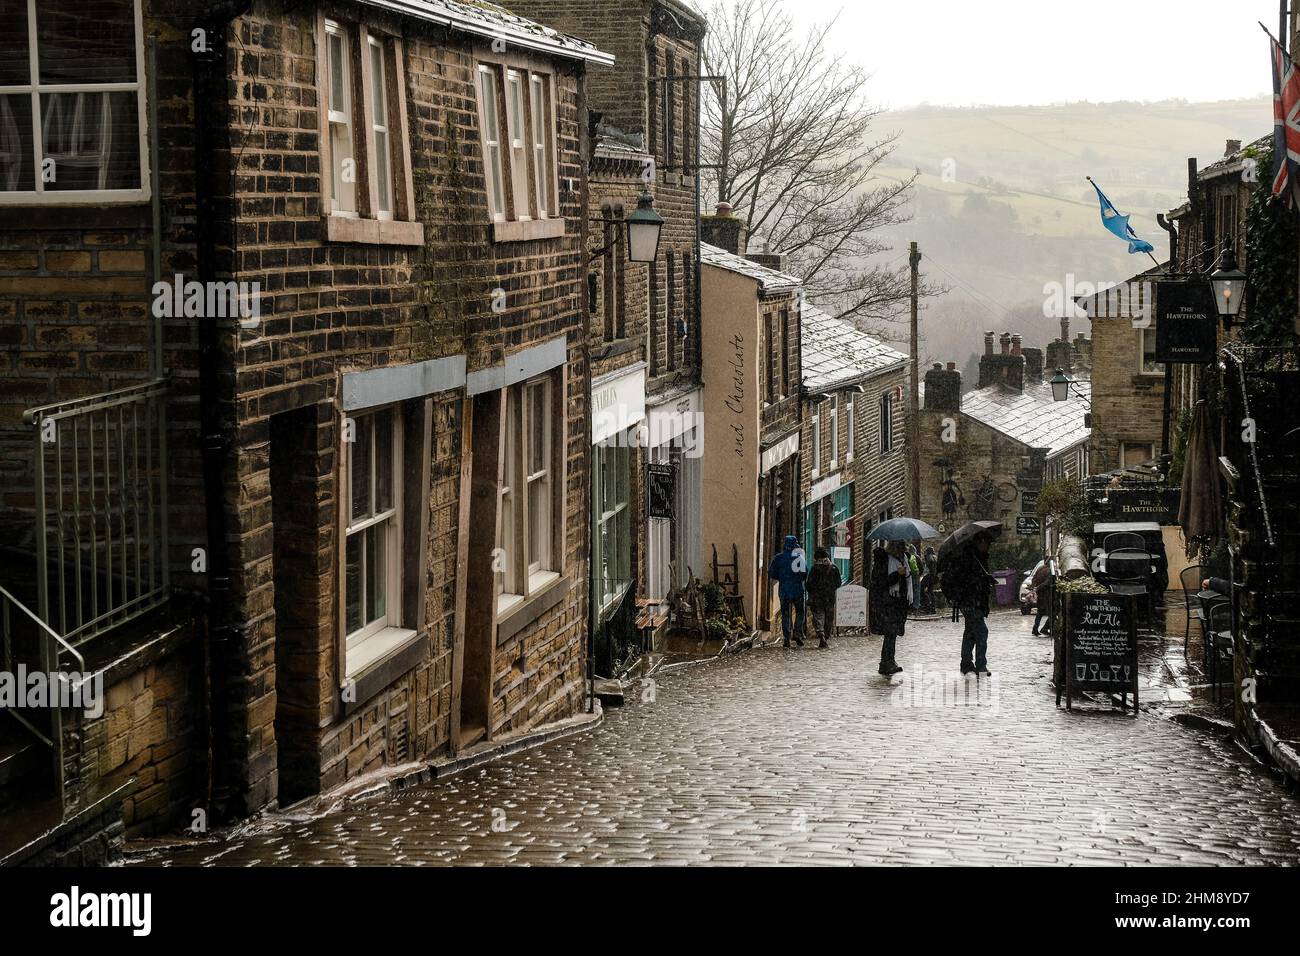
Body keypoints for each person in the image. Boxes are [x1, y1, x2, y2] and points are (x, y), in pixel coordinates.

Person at [949, 532, 996, 676]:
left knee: (970, 632)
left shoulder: (979, 559)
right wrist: (981, 580)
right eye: (986, 544)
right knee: (982, 632)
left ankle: (966, 663)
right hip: (970, 601)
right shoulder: (969, 559)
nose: (988, 547)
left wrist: (986, 580)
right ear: (979, 543)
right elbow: (967, 581)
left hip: (976, 601)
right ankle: (980, 665)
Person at [869, 540, 911, 675]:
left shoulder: (904, 559)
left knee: (892, 634)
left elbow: (906, 580)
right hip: (887, 603)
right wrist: (896, 575)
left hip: (898, 602)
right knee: (890, 633)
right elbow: (880, 583)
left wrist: (904, 575)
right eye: (901, 549)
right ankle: (886, 663)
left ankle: (889, 661)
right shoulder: (884, 562)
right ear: (894, 548)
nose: (903, 551)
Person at [768, 534, 807, 647]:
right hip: (797, 590)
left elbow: (771, 573)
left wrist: (781, 577)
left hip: (784, 590)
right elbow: (805, 573)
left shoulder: (779, 558)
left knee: (786, 613)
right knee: (800, 611)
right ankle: (797, 632)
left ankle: (786, 637)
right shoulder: (799, 557)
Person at [806, 547, 842, 649]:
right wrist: (830, 587)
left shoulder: (814, 569)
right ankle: (826, 634)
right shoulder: (834, 568)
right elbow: (838, 583)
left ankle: (821, 634)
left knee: (818, 616)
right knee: (828, 617)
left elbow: (809, 585)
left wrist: (814, 590)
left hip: (817, 598)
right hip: (829, 598)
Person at [1031, 553, 1054, 636]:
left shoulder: (1040, 568)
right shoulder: (1050, 570)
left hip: (1040, 594)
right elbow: (1047, 582)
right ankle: (1047, 629)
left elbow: (1034, 579)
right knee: (1052, 613)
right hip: (1047, 594)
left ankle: (1035, 629)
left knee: (1040, 613)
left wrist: (1035, 588)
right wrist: (1038, 588)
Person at [921, 546, 939, 613]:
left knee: (922, 589)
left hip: (929, 575)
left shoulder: (929, 556)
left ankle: (927, 606)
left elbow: (929, 565)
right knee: (930, 591)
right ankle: (933, 607)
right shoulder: (935, 557)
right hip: (934, 576)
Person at [907, 544, 923, 611]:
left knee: (910, 590)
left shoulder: (908, 556)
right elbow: (921, 567)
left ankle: (910, 605)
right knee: (917, 591)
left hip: (910, 576)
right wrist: (920, 574)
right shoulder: (917, 557)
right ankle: (916, 606)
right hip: (916, 576)